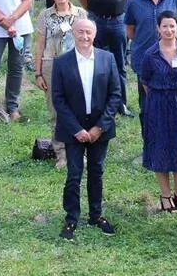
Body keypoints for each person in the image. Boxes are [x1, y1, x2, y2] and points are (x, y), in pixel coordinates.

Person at [52, 19, 122, 240]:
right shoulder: (62, 62)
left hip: (99, 128)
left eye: (88, 32)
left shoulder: (107, 58)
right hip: (73, 129)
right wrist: (76, 130)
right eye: (80, 32)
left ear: (95, 34)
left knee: (96, 171)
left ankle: (96, 214)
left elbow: (115, 94)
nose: (84, 37)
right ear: (73, 33)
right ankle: (71, 217)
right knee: (74, 173)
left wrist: (100, 127)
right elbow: (58, 99)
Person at [140, 11, 177, 213]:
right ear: (158, 28)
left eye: (172, 26)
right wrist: (160, 94)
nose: (169, 30)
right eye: (164, 26)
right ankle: (165, 196)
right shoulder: (150, 54)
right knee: (160, 147)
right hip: (157, 105)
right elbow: (145, 81)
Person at [124, 0, 177, 133]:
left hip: (171, 62)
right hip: (144, 63)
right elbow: (130, 31)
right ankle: (149, 149)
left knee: (173, 107)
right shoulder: (134, 2)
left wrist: (171, 45)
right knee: (147, 107)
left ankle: (172, 146)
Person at [77, 0, 136, 116]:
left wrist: (121, 12)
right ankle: (100, 104)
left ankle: (121, 104)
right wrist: (95, 14)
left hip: (118, 22)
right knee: (97, 64)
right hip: (96, 23)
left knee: (119, 64)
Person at [33, 0, 88, 170]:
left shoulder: (81, 14)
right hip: (52, 66)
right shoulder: (45, 15)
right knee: (56, 111)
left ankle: (78, 153)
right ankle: (61, 155)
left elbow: (88, 41)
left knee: (77, 111)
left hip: (76, 65)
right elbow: (40, 44)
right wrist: (38, 72)